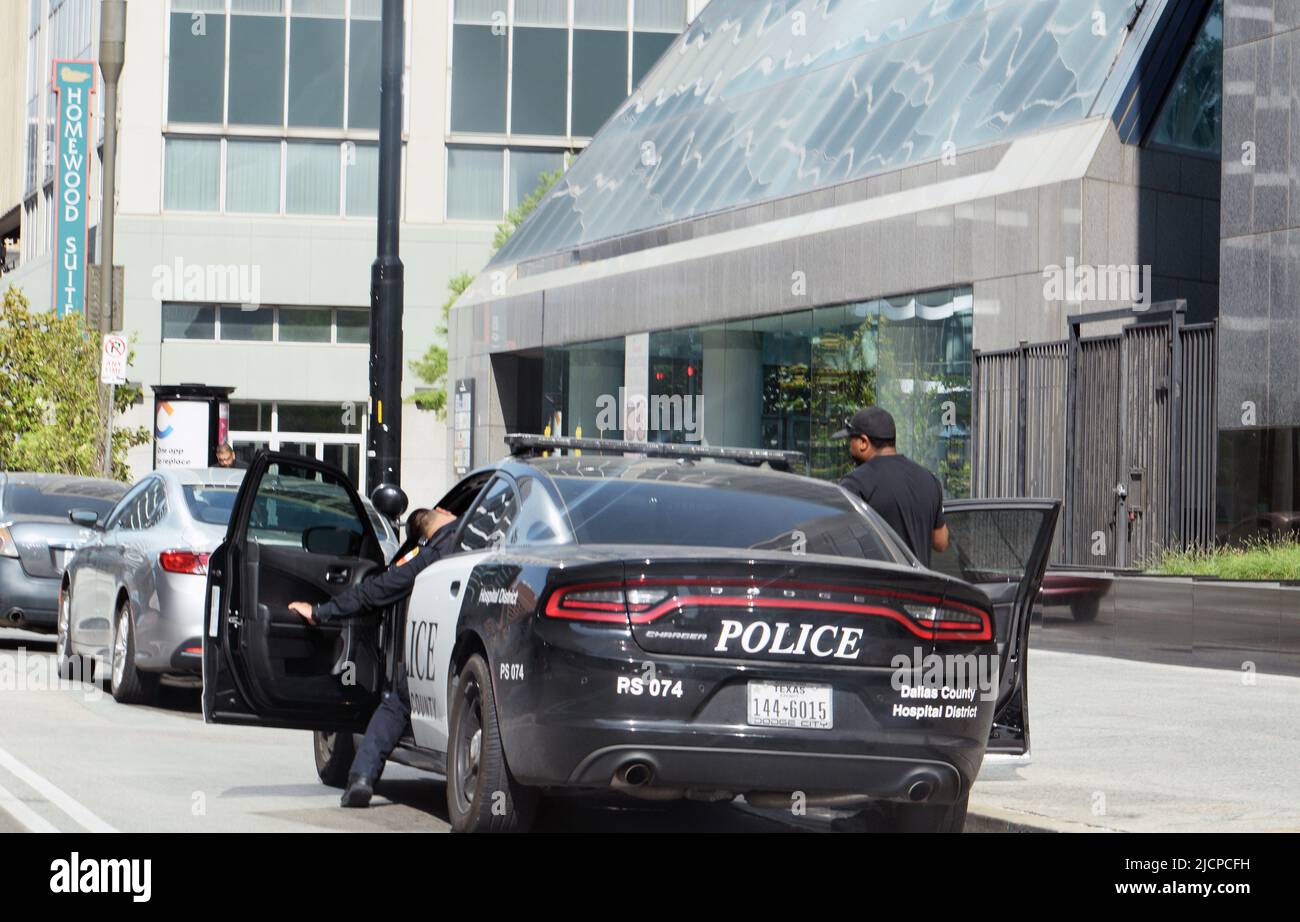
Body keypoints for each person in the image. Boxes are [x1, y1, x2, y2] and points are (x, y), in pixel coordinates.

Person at [288, 505, 459, 807]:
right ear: (444, 511)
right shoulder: (488, 533)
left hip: (446, 649)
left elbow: (377, 590)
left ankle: (362, 778)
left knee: (397, 701)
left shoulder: (431, 555)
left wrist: (320, 612)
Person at [835, 406, 949, 567]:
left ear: (863, 442)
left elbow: (838, 540)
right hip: (920, 589)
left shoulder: (855, 482)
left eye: (850, 441)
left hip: (877, 588)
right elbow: (941, 542)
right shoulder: (929, 479)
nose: (849, 447)